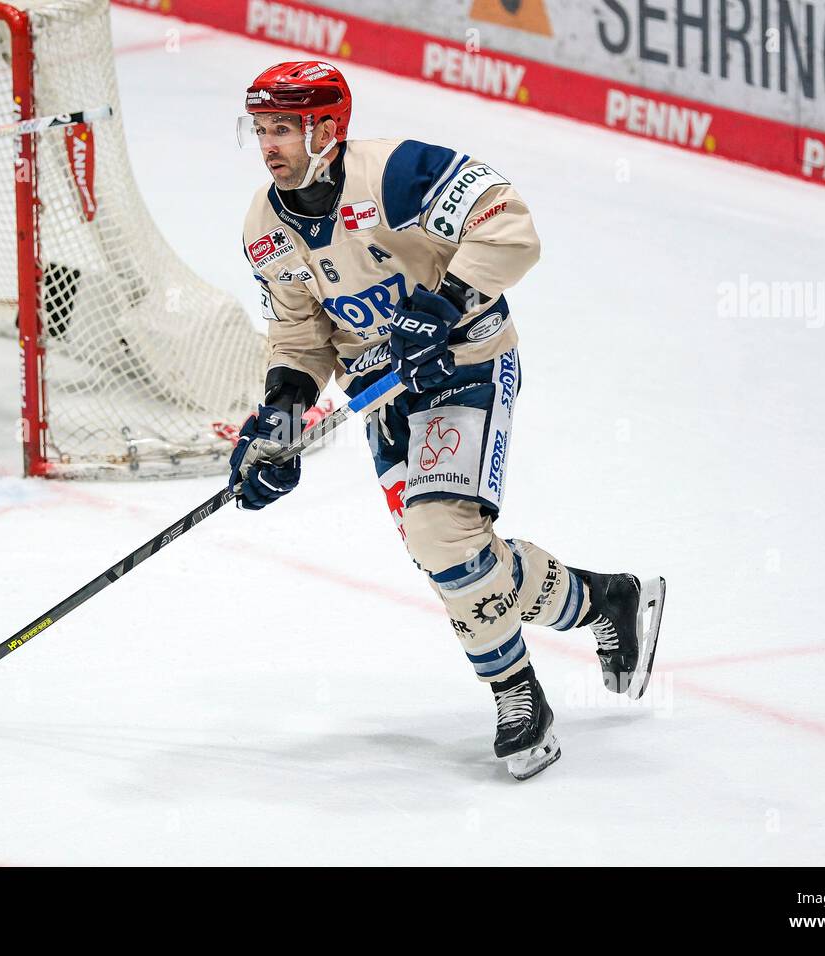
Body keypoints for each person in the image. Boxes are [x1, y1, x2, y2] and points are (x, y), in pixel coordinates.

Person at [228, 61, 666, 779]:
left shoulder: (399, 173)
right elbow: (300, 337)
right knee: (452, 560)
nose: (269, 145)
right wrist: (282, 409)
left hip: (465, 365)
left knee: (444, 536)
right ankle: (606, 599)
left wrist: (443, 301)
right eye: (263, 130)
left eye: (285, 129)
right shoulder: (265, 226)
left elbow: (511, 226)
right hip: (382, 397)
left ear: (328, 131)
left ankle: (518, 696)